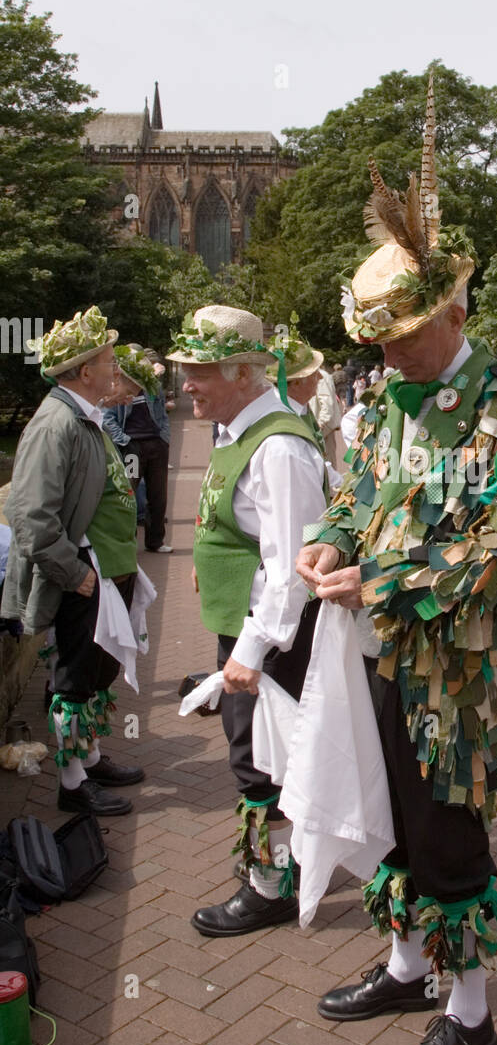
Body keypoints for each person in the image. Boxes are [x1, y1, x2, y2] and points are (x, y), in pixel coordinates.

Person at [296, 80, 497, 1045]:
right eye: (377, 340)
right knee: (394, 816)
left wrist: (386, 581)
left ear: (454, 307)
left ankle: (471, 1011)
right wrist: (326, 546)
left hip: (452, 667)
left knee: (447, 826)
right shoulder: (374, 410)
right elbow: (353, 501)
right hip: (371, 647)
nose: (387, 353)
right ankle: (409, 968)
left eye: (403, 333)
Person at [167, 306, 331, 935]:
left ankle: (271, 886)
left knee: (259, 760)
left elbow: (294, 562)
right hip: (248, 620)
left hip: (270, 630)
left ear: (241, 371)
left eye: (198, 371)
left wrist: (253, 648)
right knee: (265, 752)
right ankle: (282, 872)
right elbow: (246, 525)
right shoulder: (241, 430)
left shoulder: (280, 446)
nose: (186, 384)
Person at [1, 307, 146, 816]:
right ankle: (71, 782)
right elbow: (31, 518)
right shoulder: (55, 423)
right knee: (74, 681)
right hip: (86, 577)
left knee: (95, 674)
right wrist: (76, 573)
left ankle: (91, 757)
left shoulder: (82, 416)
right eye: (108, 361)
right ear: (86, 371)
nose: (115, 369)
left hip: (106, 574)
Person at [103, 344, 172, 553]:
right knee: (129, 492)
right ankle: (128, 542)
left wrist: (164, 437)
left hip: (156, 446)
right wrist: (125, 440)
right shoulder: (117, 390)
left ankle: (155, 542)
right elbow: (108, 419)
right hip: (132, 448)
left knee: (158, 494)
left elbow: (162, 413)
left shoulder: (153, 387)